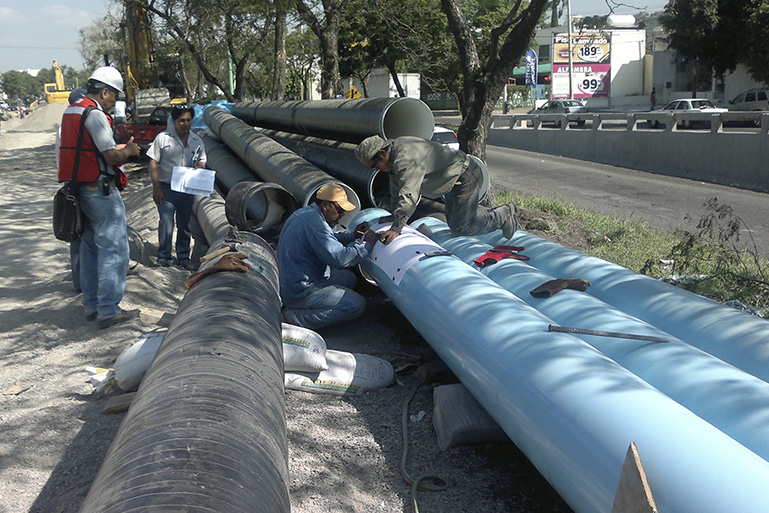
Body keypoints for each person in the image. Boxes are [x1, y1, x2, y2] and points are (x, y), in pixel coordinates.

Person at [58, 66, 141, 329]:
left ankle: (92, 305)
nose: (114, 101)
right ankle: (108, 310)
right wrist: (128, 150)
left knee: (90, 248)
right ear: (104, 91)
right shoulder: (94, 115)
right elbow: (111, 156)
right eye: (113, 95)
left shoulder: (72, 110)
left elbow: (85, 149)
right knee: (115, 249)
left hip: (79, 189)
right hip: (99, 191)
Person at [355, 135, 519, 244]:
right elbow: (396, 189)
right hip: (451, 180)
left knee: (462, 227)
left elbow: (409, 196)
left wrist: (396, 228)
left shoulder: (405, 158)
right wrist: (393, 215)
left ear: (383, 153)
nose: (376, 169)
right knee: (457, 225)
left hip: (465, 176)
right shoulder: (394, 156)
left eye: (375, 165)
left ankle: (504, 214)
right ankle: (494, 214)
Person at [277, 184, 377, 329]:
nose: (342, 215)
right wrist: (367, 245)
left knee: (350, 279)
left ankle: (300, 305)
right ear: (325, 205)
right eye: (340, 210)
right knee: (356, 305)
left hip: (293, 281)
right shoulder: (316, 225)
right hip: (302, 289)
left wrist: (352, 235)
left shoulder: (306, 214)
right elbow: (339, 258)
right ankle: (293, 317)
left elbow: (328, 239)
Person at [146, 105, 207, 270]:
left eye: (188, 120)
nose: (185, 124)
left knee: (185, 224)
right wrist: (156, 188)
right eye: (181, 121)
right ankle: (164, 257)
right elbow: (153, 162)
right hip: (166, 189)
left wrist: (200, 167)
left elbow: (202, 159)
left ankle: (183, 257)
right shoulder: (163, 139)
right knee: (166, 222)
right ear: (174, 121)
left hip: (186, 189)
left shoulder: (197, 141)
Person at [55, 88, 87, 292]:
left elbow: (59, 158)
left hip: (69, 183)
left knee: (75, 235)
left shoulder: (63, 126)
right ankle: (86, 283)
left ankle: (79, 283)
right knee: (84, 235)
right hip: (82, 184)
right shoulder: (80, 122)